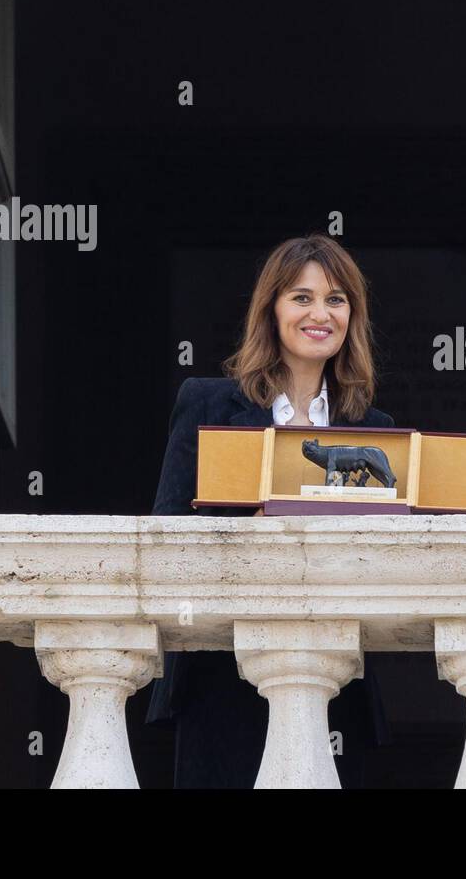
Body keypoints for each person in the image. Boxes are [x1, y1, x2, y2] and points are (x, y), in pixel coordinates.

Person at [147, 233, 395, 788]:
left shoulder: (373, 427)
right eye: (301, 297)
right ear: (272, 309)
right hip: (221, 676)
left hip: (336, 679)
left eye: (336, 299)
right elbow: (168, 535)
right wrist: (249, 532)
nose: (320, 313)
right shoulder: (208, 403)